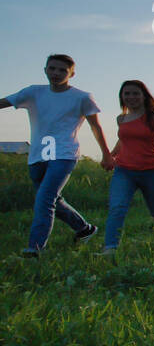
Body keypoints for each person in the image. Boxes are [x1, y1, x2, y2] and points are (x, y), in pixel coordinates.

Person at [1, 54, 112, 257]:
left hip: (64, 154)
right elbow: (3, 102)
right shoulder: (33, 92)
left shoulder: (82, 97)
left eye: (62, 70)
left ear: (72, 74)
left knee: (44, 200)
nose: (56, 73)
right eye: (52, 69)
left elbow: (95, 127)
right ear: (45, 70)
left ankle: (34, 249)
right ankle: (84, 229)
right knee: (52, 199)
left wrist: (106, 154)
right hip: (37, 155)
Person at [100, 80, 154, 255]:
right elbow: (124, 140)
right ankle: (110, 248)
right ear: (122, 97)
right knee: (117, 207)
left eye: (135, 93)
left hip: (151, 170)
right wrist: (110, 156)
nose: (131, 97)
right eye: (127, 94)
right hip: (124, 171)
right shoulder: (122, 118)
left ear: (144, 96)